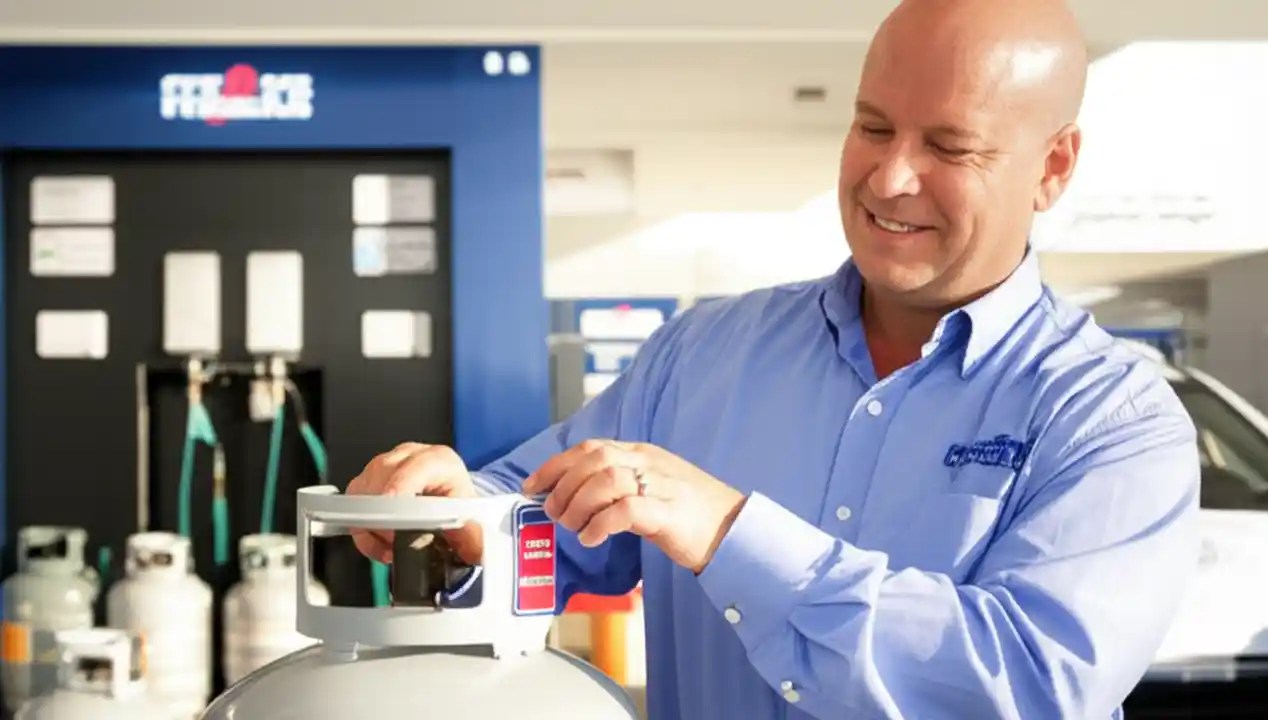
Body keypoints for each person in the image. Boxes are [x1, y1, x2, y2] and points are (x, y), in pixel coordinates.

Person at [346, 0, 1201, 717]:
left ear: (1053, 167)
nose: (891, 176)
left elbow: (1031, 683)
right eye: (873, 126)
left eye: (949, 147)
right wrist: (459, 525)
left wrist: (728, 532)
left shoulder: (1112, 420)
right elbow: (539, 526)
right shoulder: (704, 353)